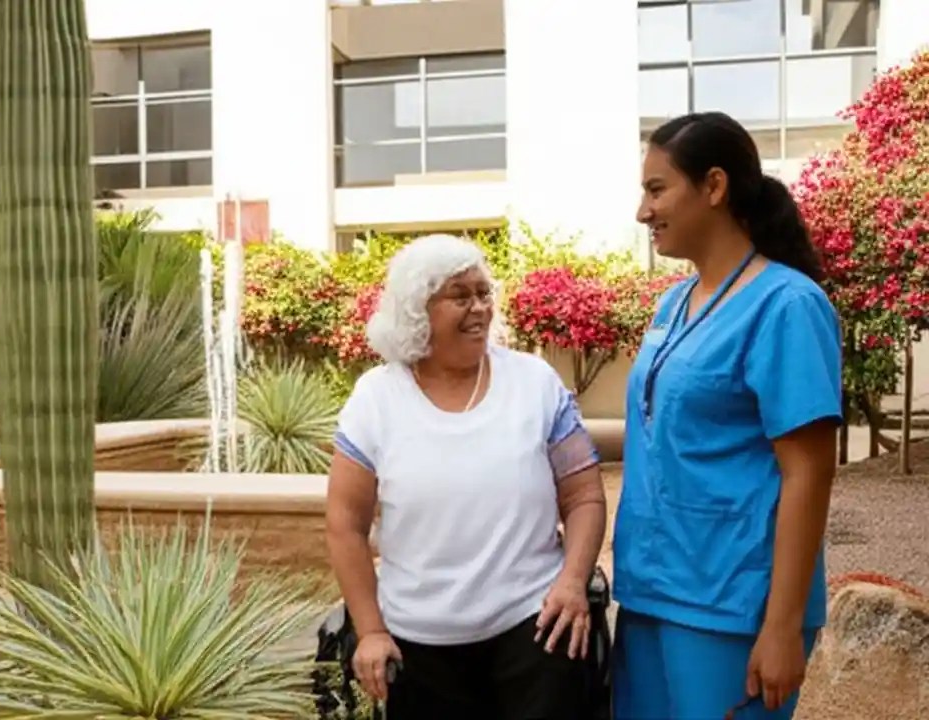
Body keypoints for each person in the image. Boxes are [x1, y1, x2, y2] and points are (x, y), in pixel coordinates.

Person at [613, 111, 842, 720]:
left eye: (657, 189)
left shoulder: (787, 305)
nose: (643, 211)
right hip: (651, 593)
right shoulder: (673, 303)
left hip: (731, 606)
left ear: (714, 187)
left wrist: (782, 626)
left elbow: (810, 473)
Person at [325, 233, 608, 719]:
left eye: (483, 293)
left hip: (536, 629)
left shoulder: (535, 383)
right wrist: (370, 631)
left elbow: (584, 495)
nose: (479, 308)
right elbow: (345, 523)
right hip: (418, 647)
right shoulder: (376, 399)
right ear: (417, 309)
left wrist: (572, 581)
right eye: (460, 296)